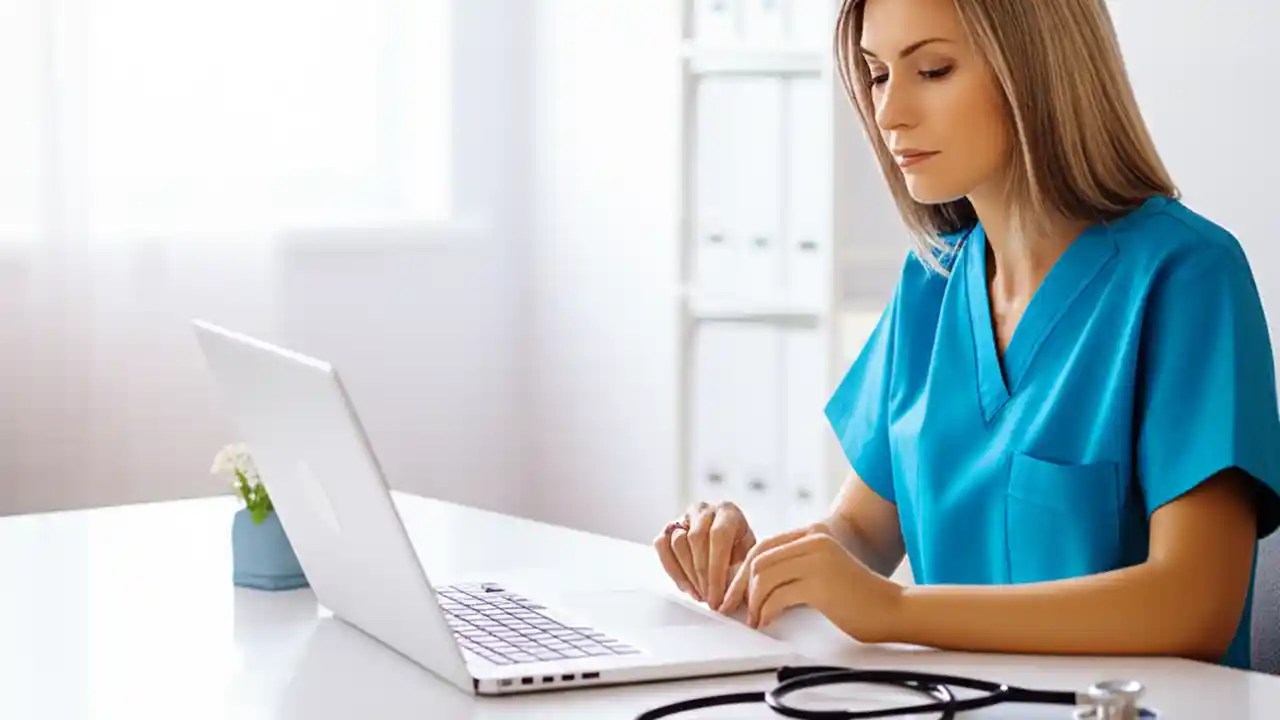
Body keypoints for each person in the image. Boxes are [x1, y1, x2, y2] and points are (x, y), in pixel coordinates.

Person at [654, 0, 1280, 670]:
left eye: (933, 69)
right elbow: (862, 532)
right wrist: (764, 564)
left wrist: (895, 612)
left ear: (1037, 69)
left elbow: (1194, 607)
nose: (890, 114)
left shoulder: (1186, 278)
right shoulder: (932, 280)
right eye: (877, 74)